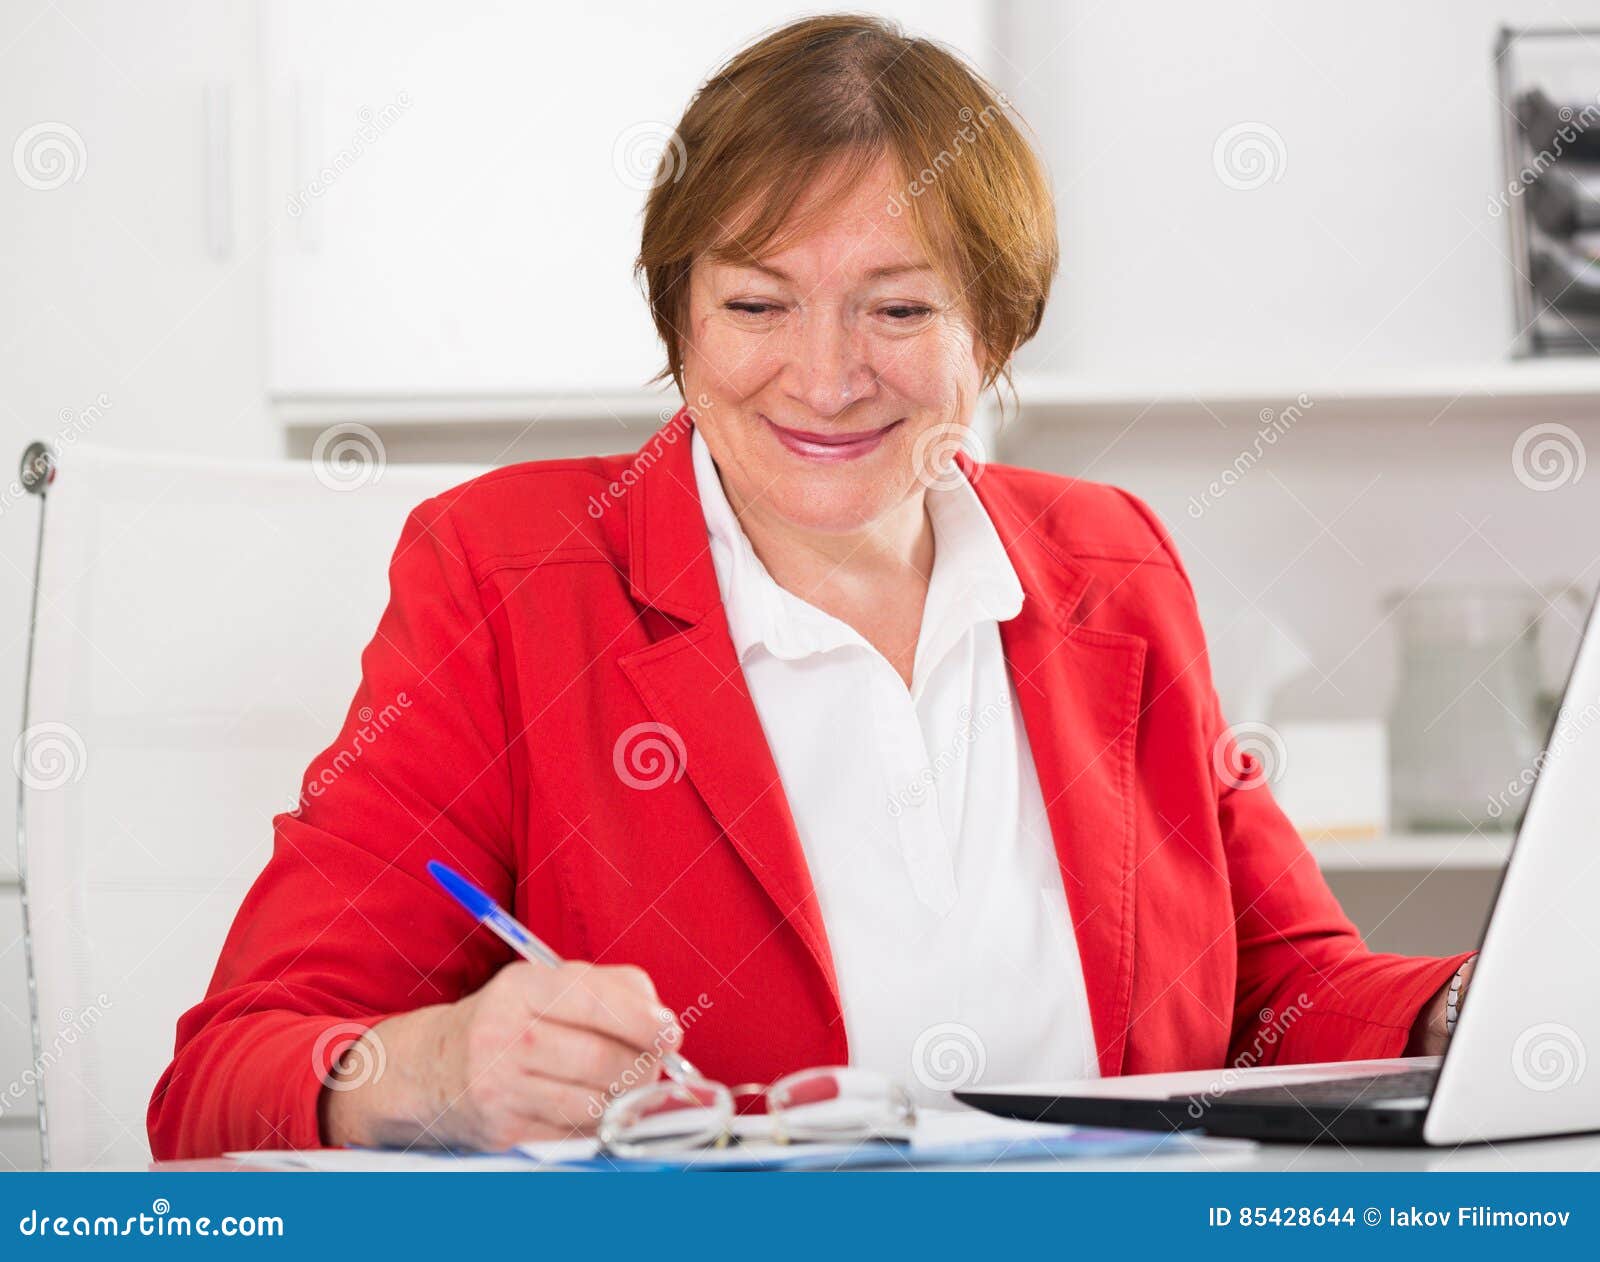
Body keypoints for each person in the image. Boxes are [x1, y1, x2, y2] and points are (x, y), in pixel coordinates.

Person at [147, 13, 1474, 1159]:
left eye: (898, 310)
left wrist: (1463, 1009)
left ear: (994, 332)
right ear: (679, 321)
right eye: (757, 305)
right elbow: (219, 1079)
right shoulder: (509, 575)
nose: (828, 376)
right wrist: (431, 1075)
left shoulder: (1106, 562)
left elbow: (1279, 981)